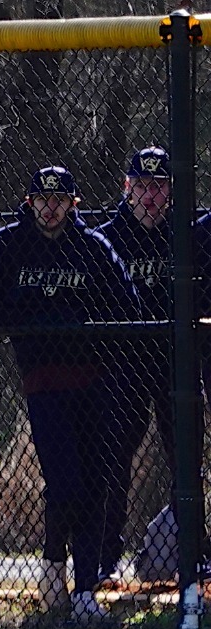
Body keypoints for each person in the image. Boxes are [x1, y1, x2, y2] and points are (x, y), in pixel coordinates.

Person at [0, 166, 140, 624]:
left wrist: (79, 325)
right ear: (29, 202)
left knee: (95, 484)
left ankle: (84, 590)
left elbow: (126, 309)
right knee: (65, 481)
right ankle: (53, 563)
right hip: (43, 382)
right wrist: (44, 321)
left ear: (75, 203)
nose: (50, 208)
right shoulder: (8, 245)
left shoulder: (93, 248)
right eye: (42, 199)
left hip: (94, 381)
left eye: (60, 199)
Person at [93, 147, 182, 586]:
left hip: (174, 366)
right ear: (127, 189)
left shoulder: (185, 238)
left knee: (185, 458)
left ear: (171, 191)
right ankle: (105, 560)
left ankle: (192, 552)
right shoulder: (106, 240)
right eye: (143, 186)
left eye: (160, 186)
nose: (151, 196)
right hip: (121, 366)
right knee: (114, 462)